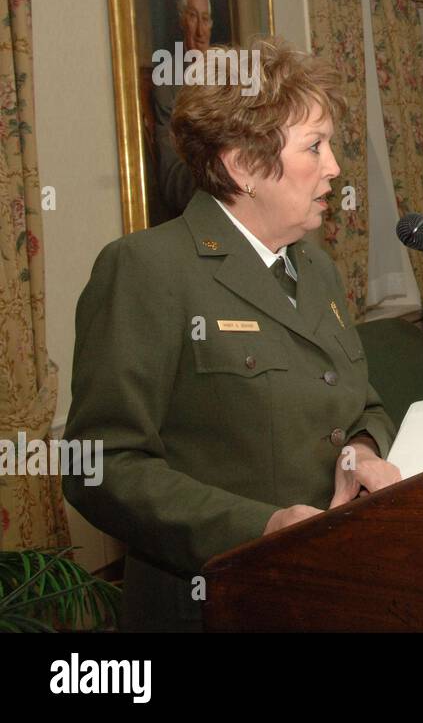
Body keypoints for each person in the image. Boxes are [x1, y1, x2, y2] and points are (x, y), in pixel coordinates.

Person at [63, 38, 401, 631]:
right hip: (215, 604)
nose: (334, 167)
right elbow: (103, 466)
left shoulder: (315, 266)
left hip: (332, 588)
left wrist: (362, 451)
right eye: (315, 147)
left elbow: (358, 401)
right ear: (243, 165)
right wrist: (260, 528)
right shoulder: (148, 269)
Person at [153, 0, 216, 221]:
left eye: (206, 19)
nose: (201, 31)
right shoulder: (168, 86)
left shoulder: (232, 81)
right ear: (180, 20)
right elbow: (172, 183)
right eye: (192, 16)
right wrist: (226, 178)